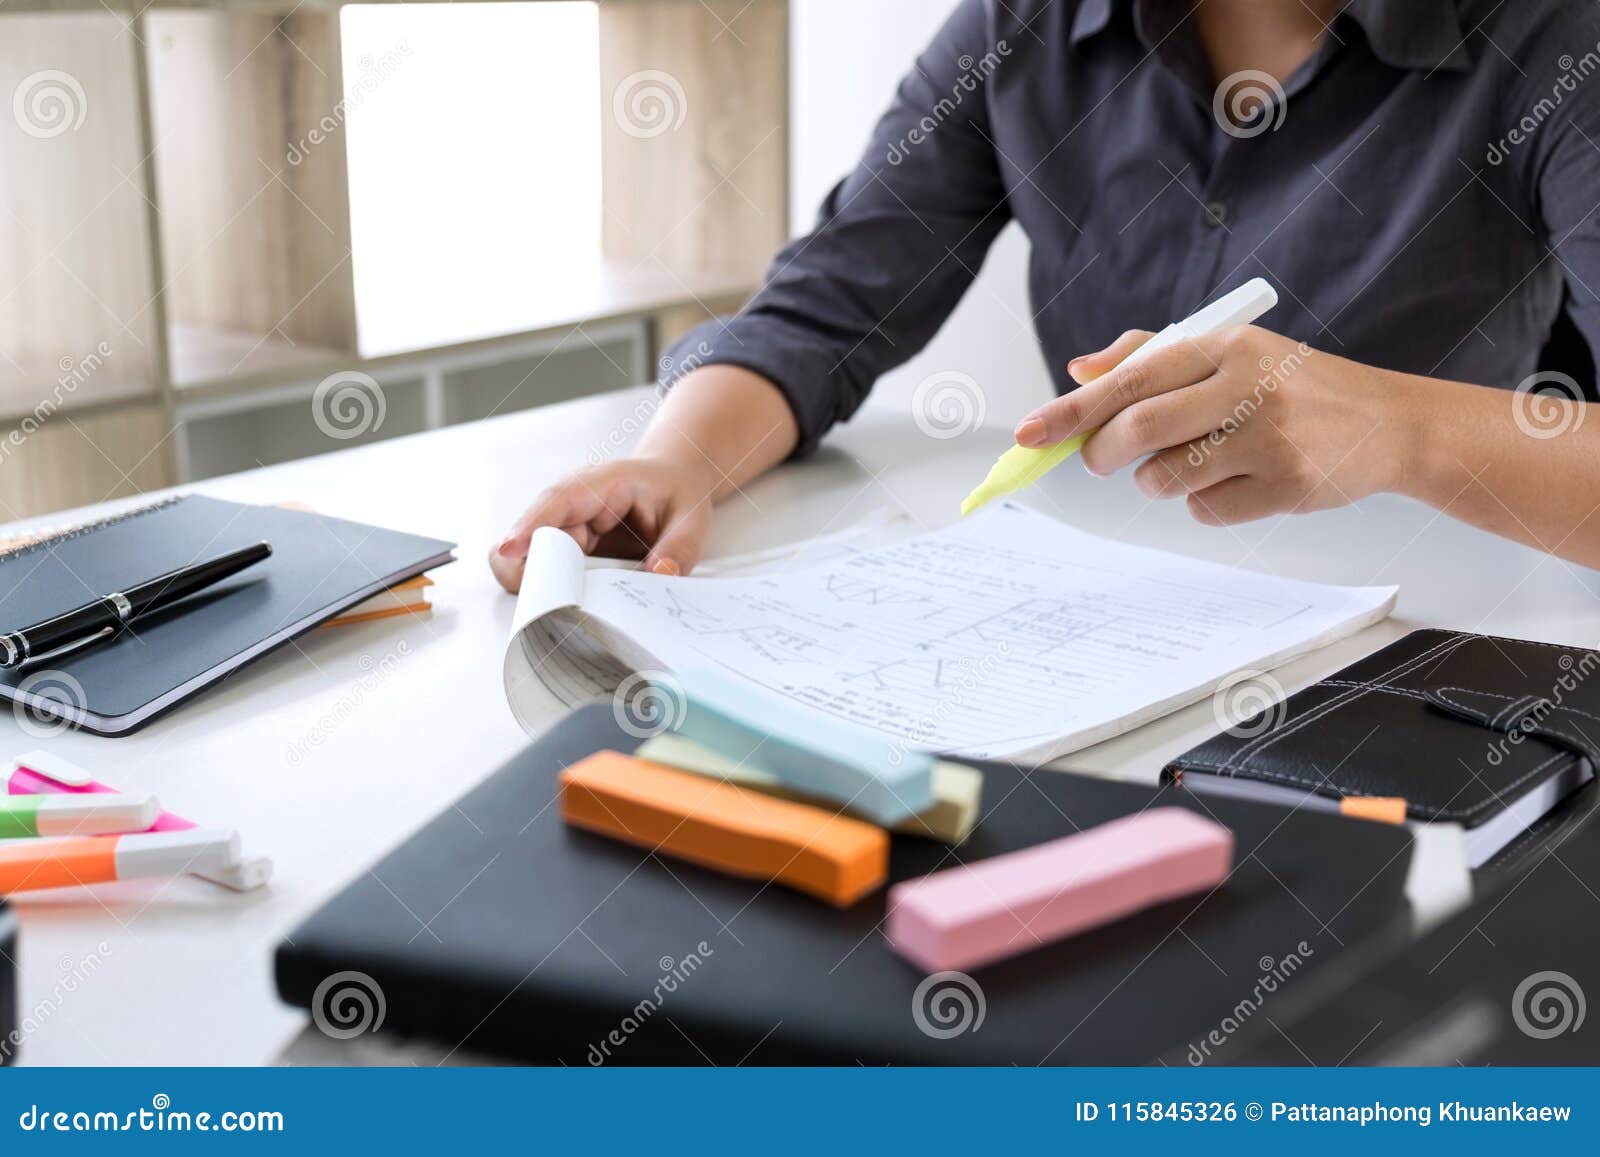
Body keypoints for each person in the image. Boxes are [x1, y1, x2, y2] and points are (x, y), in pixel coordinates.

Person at [492, 0, 1600, 592]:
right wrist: (679, 459)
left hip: (1435, 628)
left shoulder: (1557, 38)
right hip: (1094, 623)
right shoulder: (1018, 24)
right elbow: (825, 308)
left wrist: (1396, 429)